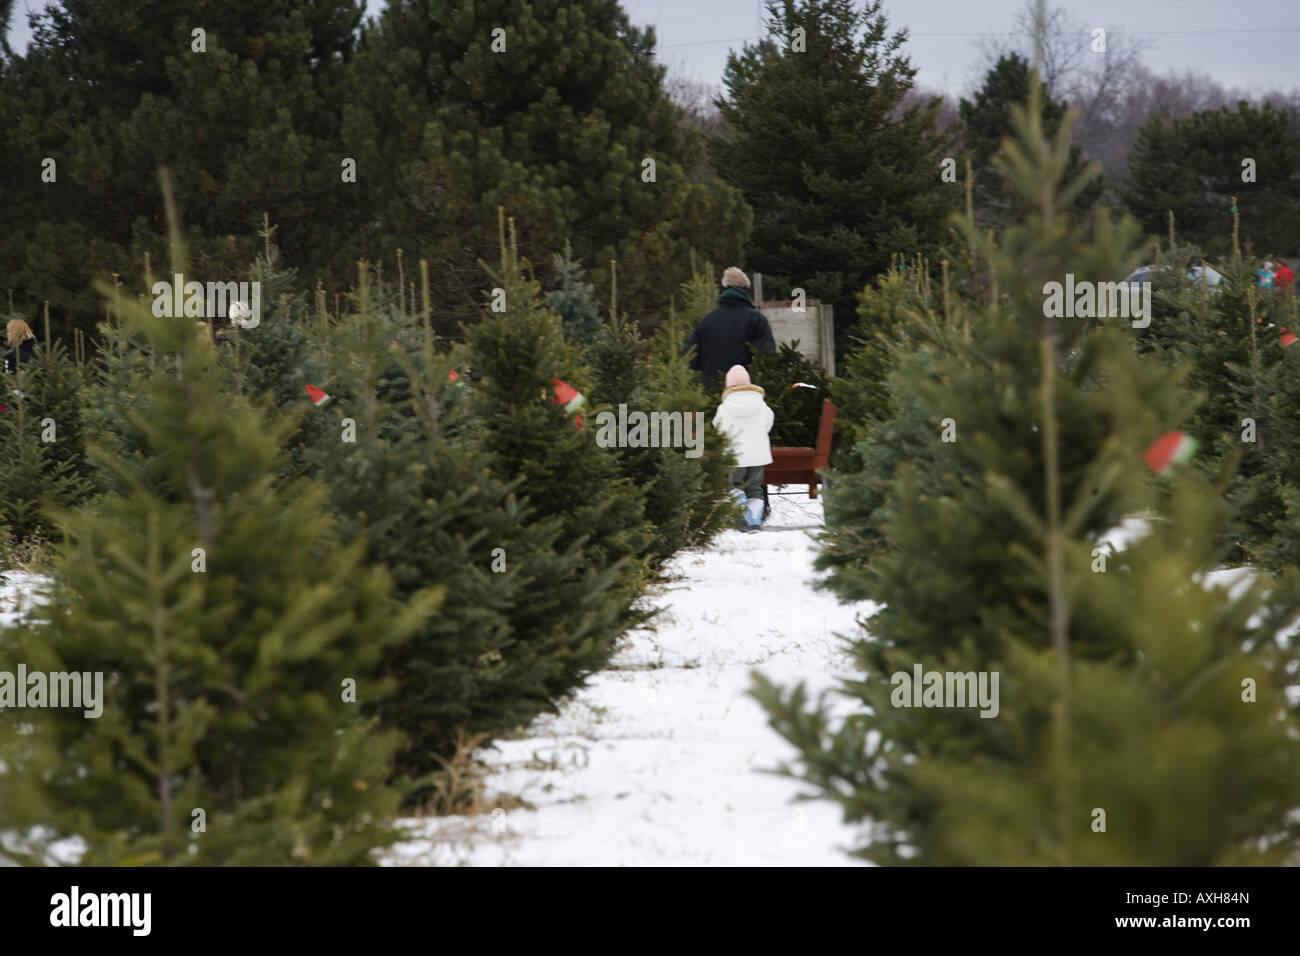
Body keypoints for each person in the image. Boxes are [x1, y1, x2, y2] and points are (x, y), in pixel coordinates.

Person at [685, 267, 775, 391]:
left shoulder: (706, 321)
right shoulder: (757, 320)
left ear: (724, 289)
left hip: (712, 393)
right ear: (746, 290)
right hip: (745, 391)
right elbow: (767, 357)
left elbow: (690, 358)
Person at [713, 364, 773, 533]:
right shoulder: (761, 405)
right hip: (757, 454)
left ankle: (739, 519)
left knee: (735, 485)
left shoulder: (724, 408)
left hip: (735, 454)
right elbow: (767, 424)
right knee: (755, 487)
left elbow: (719, 428)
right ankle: (754, 521)